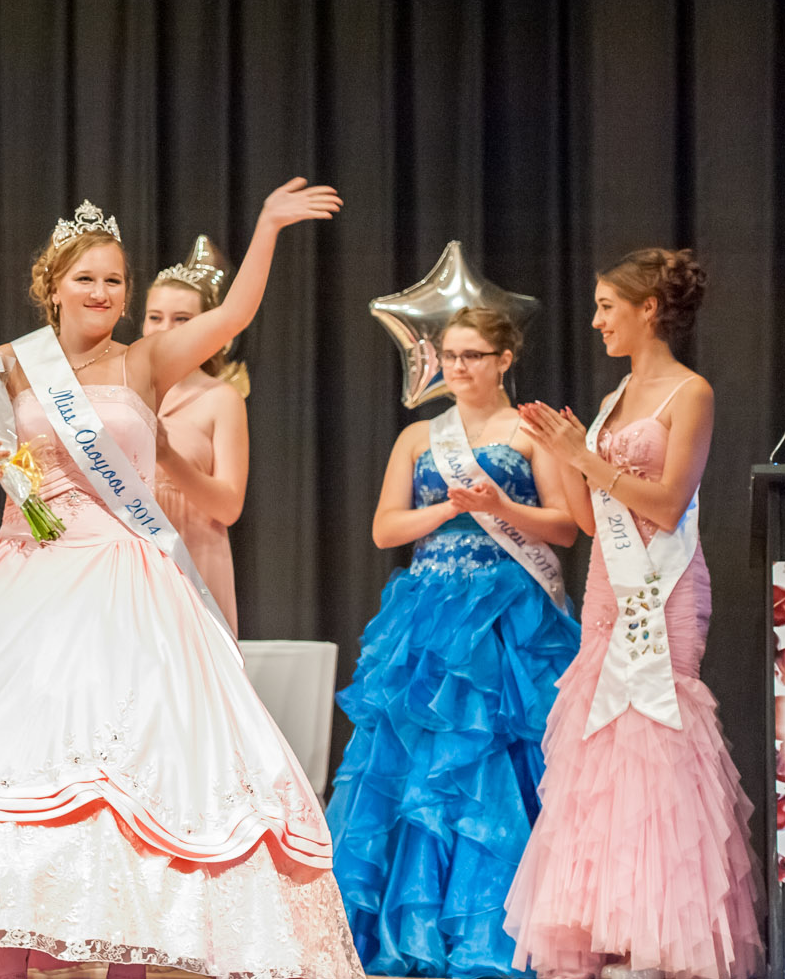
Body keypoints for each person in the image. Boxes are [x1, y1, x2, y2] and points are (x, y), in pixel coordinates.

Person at [0, 181, 362, 979]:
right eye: (87, 277)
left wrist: (265, 229)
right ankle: (8, 954)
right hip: (25, 575)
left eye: (116, 280)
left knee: (117, 776)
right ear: (53, 285)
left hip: (124, 581)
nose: (103, 292)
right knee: (16, 775)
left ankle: (123, 954)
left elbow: (234, 317)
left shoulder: (148, 358)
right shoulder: (16, 361)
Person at [507, 249, 762, 979]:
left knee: (658, 734)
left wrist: (582, 458)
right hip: (606, 592)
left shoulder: (691, 393)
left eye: (607, 307)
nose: (596, 321)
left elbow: (668, 502)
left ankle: (662, 936)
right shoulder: (613, 398)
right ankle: (608, 926)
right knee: (603, 747)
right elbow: (591, 521)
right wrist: (556, 451)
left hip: (665, 588)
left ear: (650, 308)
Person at [326, 306, 581, 977]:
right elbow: (385, 530)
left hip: (508, 613)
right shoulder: (418, 437)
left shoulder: (531, 432)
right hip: (429, 614)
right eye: (451, 355)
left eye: (474, 354)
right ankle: (410, 929)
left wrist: (500, 506)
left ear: (505, 359)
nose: (459, 366)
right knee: (415, 765)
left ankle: (497, 929)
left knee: (495, 758)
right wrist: (449, 506)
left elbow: (563, 528)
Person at [142, 244, 249, 633]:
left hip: (193, 562)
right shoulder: (121, 391)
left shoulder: (221, 399)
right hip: (126, 565)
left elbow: (229, 506)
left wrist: (168, 456)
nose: (165, 329)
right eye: (155, 317)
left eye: (182, 318)